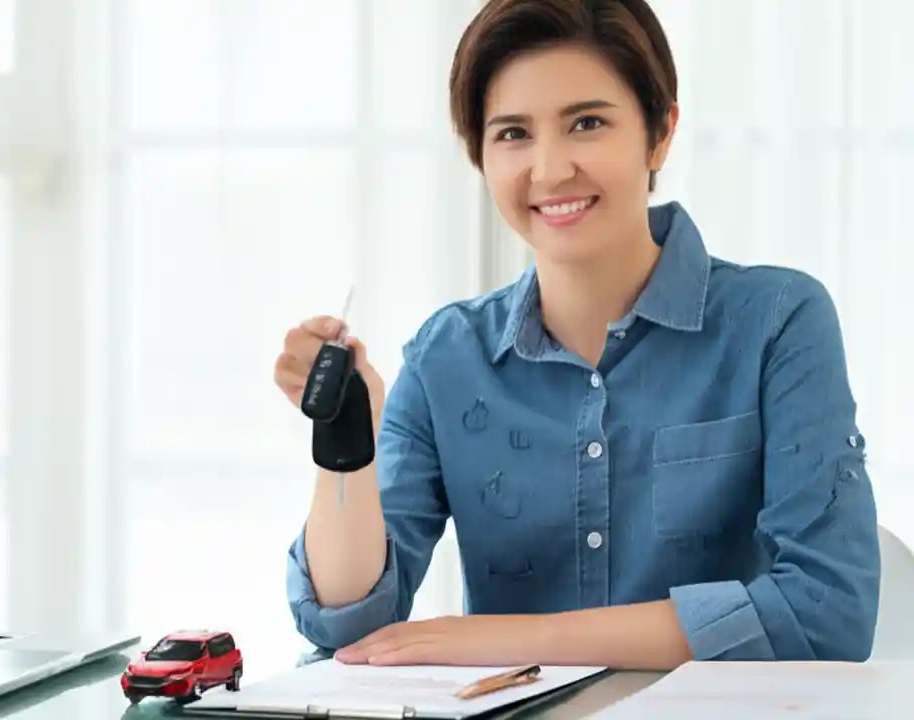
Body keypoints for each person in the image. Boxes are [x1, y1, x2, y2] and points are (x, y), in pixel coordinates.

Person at [273, 0, 879, 671]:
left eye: (586, 123)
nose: (550, 169)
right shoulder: (446, 357)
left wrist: (516, 639)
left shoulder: (777, 322)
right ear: (479, 155)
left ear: (660, 132)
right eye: (513, 134)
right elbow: (349, 622)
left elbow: (827, 613)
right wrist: (346, 443)